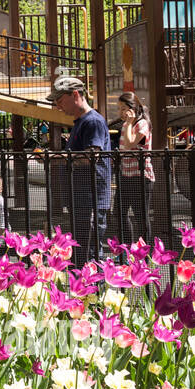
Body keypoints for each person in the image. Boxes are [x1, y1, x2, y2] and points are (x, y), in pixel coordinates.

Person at [48, 76, 112, 265]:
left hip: (92, 198)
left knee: (90, 254)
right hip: (81, 197)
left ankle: (96, 292)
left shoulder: (93, 122)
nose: (59, 106)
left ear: (75, 94)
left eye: (60, 101)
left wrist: (57, 157)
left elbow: (91, 157)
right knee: (81, 251)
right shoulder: (80, 122)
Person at [116, 92, 154, 244]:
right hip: (125, 174)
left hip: (140, 175)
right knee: (119, 213)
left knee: (140, 215)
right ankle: (126, 248)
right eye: (119, 109)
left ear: (133, 108)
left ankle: (144, 253)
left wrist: (130, 123)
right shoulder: (126, 125)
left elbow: (131, 144)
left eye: (123, 108)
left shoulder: (142, 124)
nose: (121, 112)